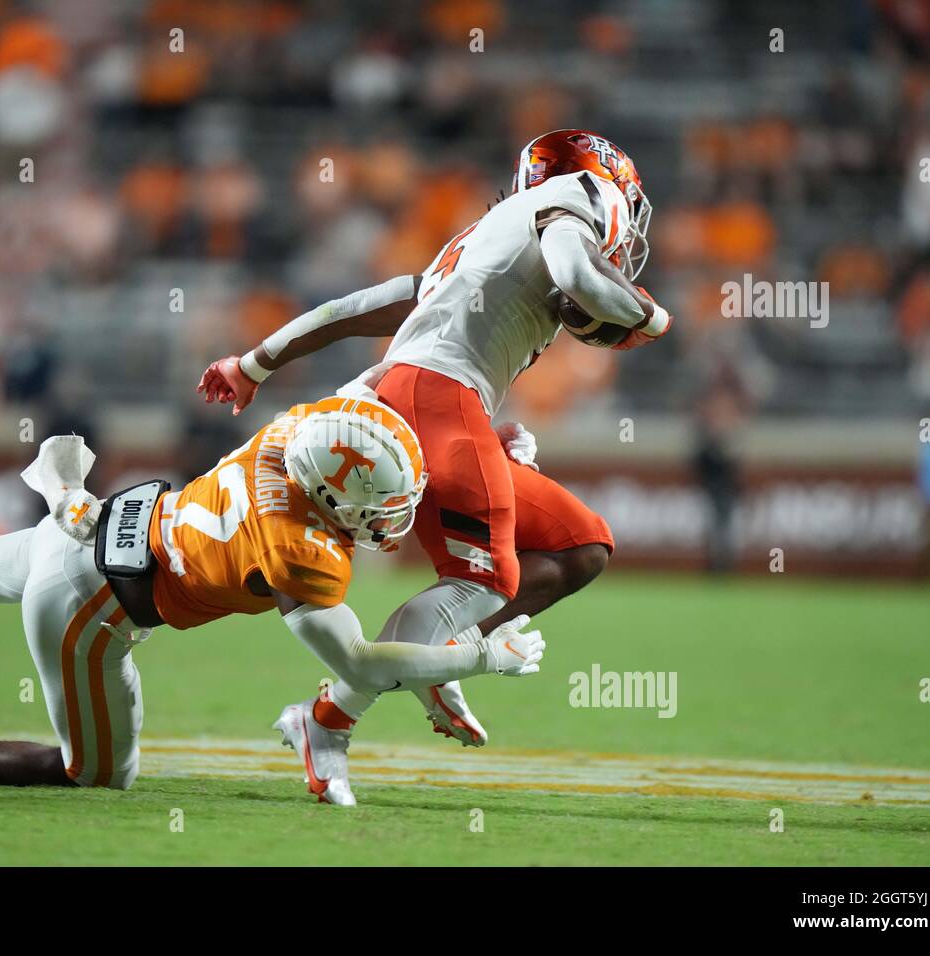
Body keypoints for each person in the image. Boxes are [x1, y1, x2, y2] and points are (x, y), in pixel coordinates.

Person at [0, 396, 543, 806]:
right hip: (94, 604)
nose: (392, 513)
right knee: (94, 776)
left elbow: (379, 429)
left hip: (91, 531)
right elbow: (362, 661)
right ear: (333, 493)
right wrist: (479, 653)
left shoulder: (298, 432)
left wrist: (490, 451)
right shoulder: (300, 549)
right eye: (381, 501)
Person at [199, 130, 673, 752]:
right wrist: (649, 316)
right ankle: (335, 719)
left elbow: (363, 307)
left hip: (424, 406)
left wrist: (256, 362)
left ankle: (422, 662)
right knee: (486, 581)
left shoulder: (486, 237)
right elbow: (576, 270)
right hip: (432, 398)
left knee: (578, 545)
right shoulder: (575, 192)